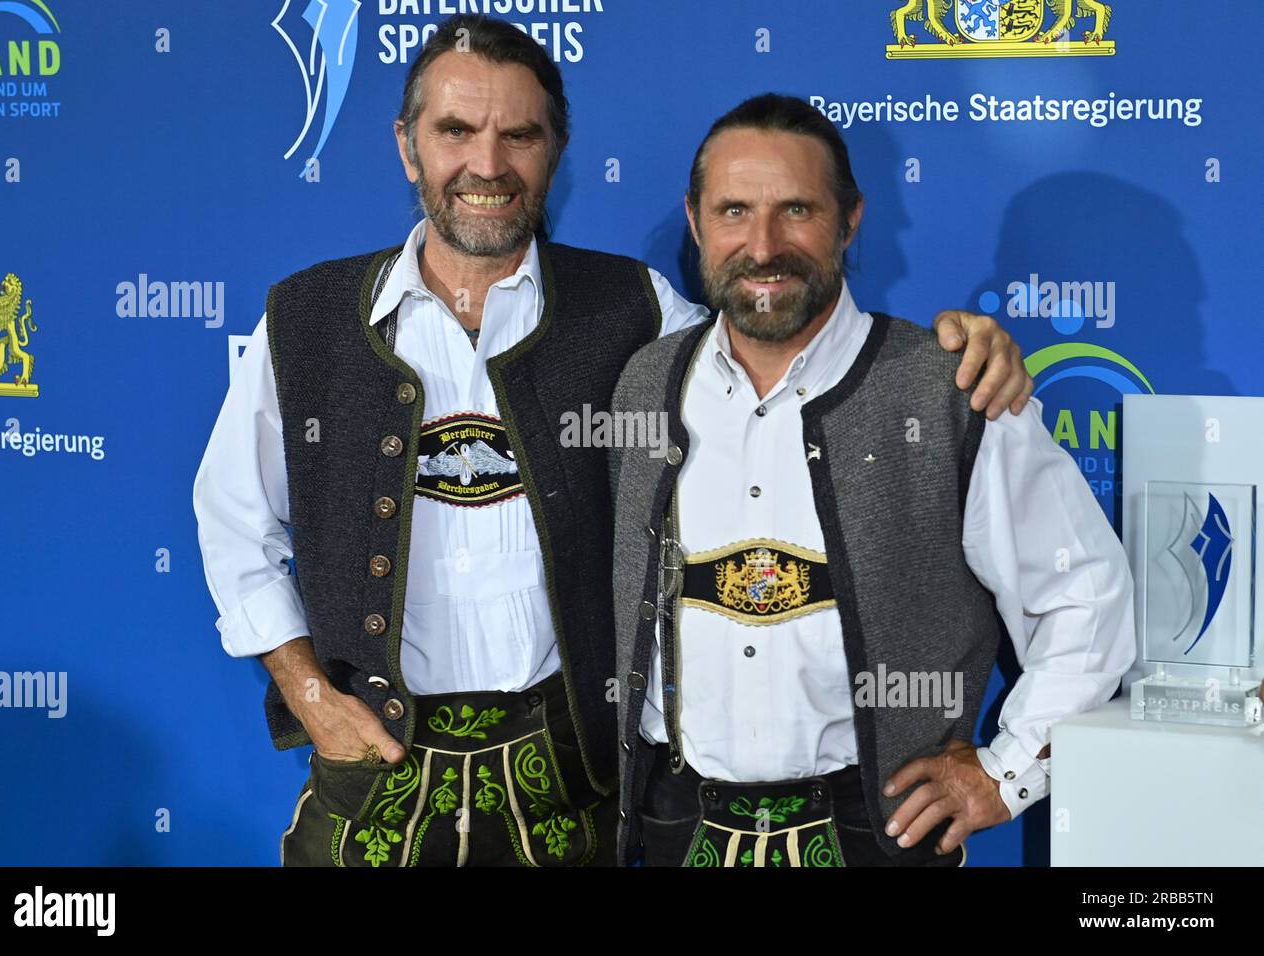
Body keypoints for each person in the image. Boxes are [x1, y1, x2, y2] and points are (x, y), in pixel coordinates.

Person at [192, 16, 1034, 868]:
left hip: (574, 785)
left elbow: (778, 348)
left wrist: (952, 352)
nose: (487, 165)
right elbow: (232, 520)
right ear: (408, 147)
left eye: (519, 135)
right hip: (368, 780)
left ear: (554, 154)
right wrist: (308, 695)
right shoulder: (306, 317)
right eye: (456, 131)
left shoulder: (634, 310)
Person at [608, 93, 1136, 868]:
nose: (762, 245)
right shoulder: (643, 386)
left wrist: (1007, 773)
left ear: (850, 219)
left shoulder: (955, 390)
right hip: (673, 828)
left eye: (796, 210)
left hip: (876, 835)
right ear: (695, 223)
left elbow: (1087, 596)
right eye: (733, 212)